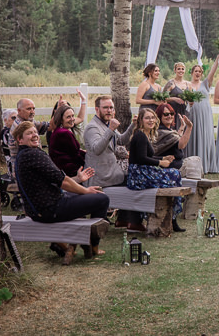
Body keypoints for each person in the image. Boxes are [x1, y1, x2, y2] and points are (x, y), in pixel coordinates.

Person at [12, 121, 109, 264]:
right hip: (50, 210)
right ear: (20, 140)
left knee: (81, 198)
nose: (34, 135)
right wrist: (85, 190)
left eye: (35, 132)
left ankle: (69, 244)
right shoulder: (33, 154)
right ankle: (93, 246)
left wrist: (78, 179)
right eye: (29, 133)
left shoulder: (23, 155)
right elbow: (62, 181)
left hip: (39, 209)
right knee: (102, 199)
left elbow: (53, 180)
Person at [83, 95, 143, 232]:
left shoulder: (106, 124)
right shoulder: (92, 128)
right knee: (133, 181)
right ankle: (132, 221)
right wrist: (110, 130)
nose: (109, 111)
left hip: (111, 172)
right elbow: (97, 149)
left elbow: (121, 140)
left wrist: (133, 125)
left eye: (111, 108)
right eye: (105, 108)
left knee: (133, 178)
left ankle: (123, 219)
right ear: (97, 109)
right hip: (100, 176)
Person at [128, 109, 186, 233]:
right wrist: (161, 163)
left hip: (142, 170)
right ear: (141, 121)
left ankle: (173, 217)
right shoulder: (140, 135)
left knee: (175, 174)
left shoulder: (145, 134)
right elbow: (140, 159)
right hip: (138, 175)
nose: (151, 120)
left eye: (153, 118)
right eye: (147, 118)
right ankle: (173, 216)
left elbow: (145, 156)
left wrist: (163, 157)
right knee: (174, 174)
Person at [187, 55, 219, 172]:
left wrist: (217, 59)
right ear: (192, 73)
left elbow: (213, 71)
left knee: (205, 136)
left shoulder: (206, 84)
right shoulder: (187, 86)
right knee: (193, 136)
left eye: (200, 72)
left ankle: (206, 165)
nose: (198, 73)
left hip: (205, 114)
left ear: (202, 74)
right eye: (196, 71)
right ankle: (192, 165)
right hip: (192, 113)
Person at [48, 104, 87, 177]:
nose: (72, 119)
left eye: (72, 116)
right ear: (61, 119)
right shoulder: (64, 133)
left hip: (62, 168)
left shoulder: (58, 130)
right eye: (68, 117)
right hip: (69, 172)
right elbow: (76, 155)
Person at [154, 103, 193, 169]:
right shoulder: (161, 131)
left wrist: (182, 127)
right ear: (159, 116)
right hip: (168, 166)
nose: (169, 116)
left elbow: (176, 139)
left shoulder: (168, 131)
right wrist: (189, 127)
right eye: (166, 114)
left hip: (175, 164)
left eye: (171, 113)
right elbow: (181, 145)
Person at [163, 62, 191, 129]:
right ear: (175, 70)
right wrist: (175, 99)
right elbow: (163, 97)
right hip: (174, 111)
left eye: (182, 69)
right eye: (178, 69)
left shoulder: (188, 84)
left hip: (185, 111)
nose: (181, 71)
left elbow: (191, 98)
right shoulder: (171, 83)